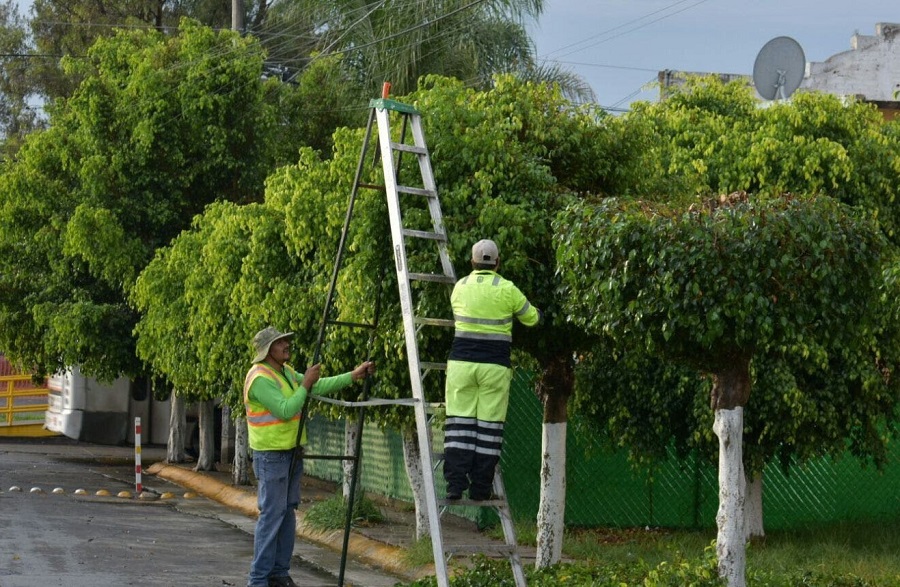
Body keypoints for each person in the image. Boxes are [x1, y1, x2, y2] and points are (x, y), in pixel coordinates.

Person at [243, 326, 374, 587]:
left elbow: (317, 385)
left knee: (287, 514)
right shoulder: (260, 378)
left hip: (290, 454)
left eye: (286, 341)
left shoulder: (285, 372)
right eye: (281, 343)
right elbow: (285, 409)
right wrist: (305, 384)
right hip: (271, 456)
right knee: (272, 516)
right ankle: (258, 580)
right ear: (268, 350)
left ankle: (279, 573)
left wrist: (352, 376)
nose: (287, 345)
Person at [443, 239, 540, 501]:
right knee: (488, 428)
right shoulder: (507, 289)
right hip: (495, 367)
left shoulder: (459, 287)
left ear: (472, 262)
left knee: (458, 425)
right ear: (497, 262)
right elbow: (532, 318)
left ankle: (454, 485)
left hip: (461, 364)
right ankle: (480, 489)